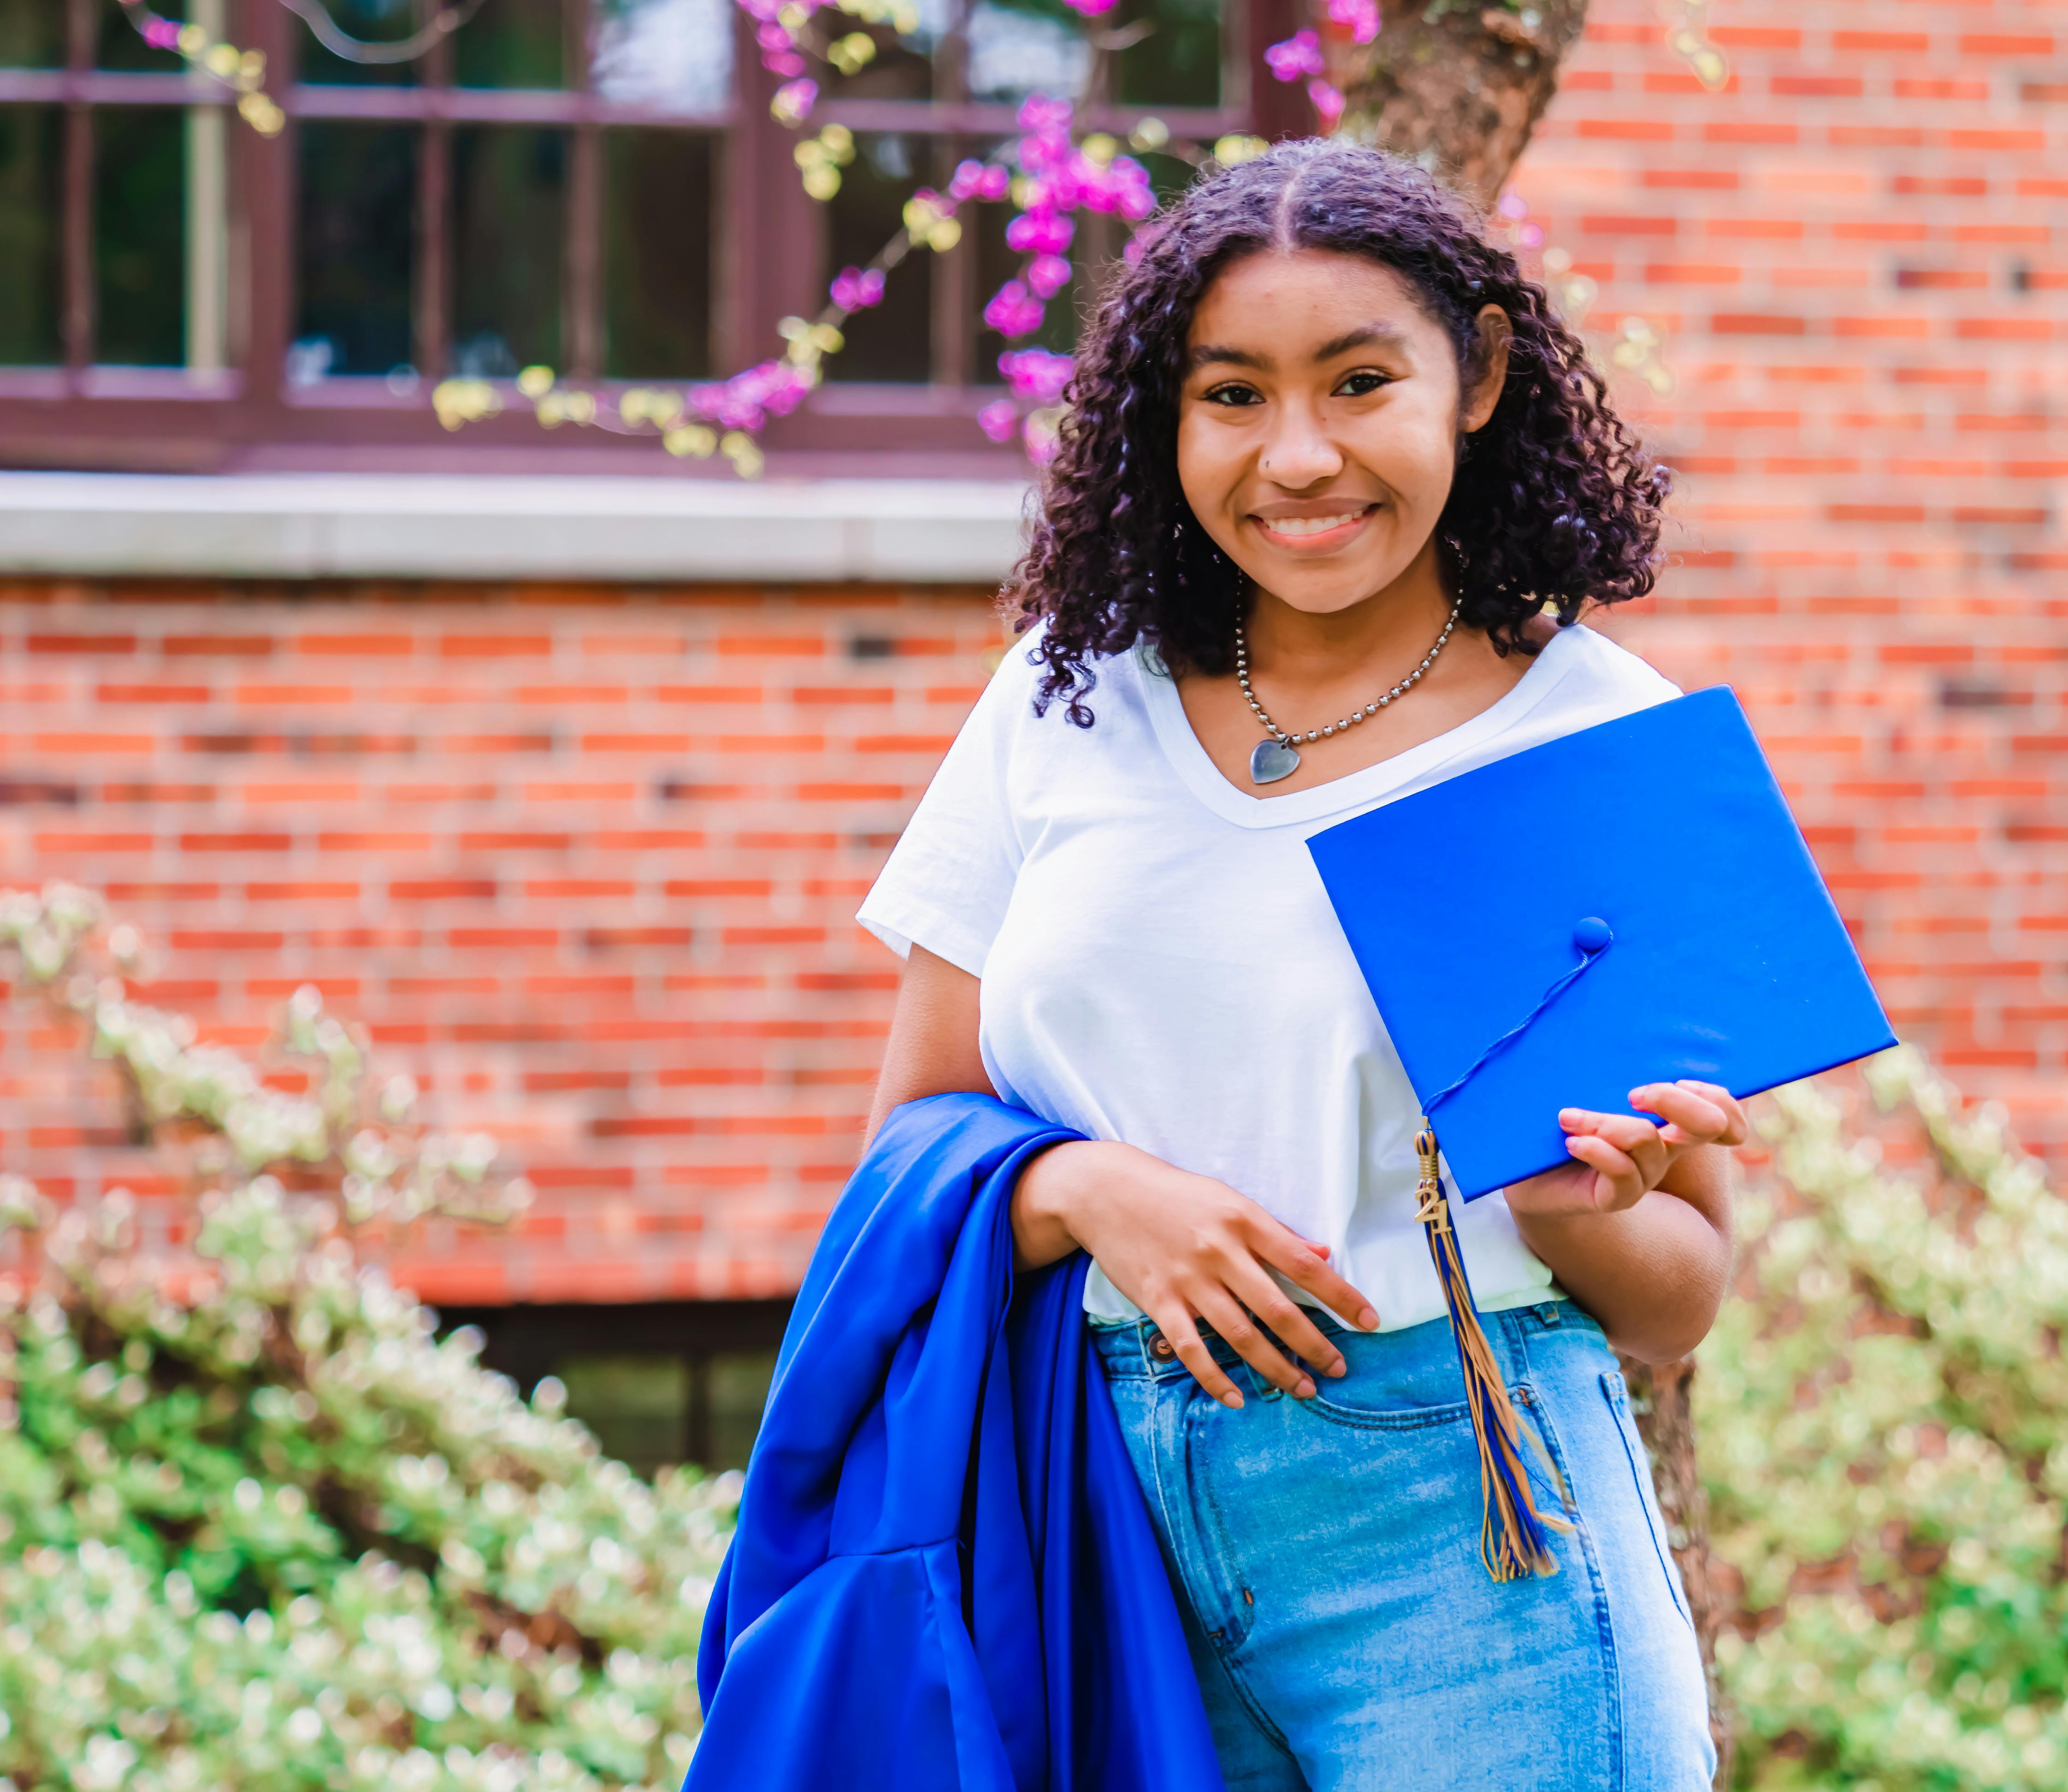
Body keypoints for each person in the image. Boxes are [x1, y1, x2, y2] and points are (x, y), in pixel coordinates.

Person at [856, 138, 1742, 1791]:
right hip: (1087, 1505)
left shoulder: (1598, 739)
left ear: (1475, 375)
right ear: (1165, 419)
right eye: (1234, 396)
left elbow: (1685, 1297)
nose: (1300, 456)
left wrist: (1575, 1207)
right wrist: (1085, 1192)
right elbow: (911, 1138)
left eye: (1359, 381)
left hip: (1471, 1539)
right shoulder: (1069, 696)